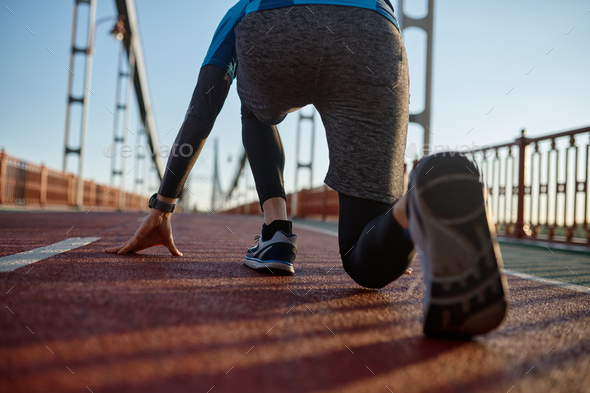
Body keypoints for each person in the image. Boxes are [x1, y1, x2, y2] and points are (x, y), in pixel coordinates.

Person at [106, 0, 507, 338]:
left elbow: (202, 112)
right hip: (373, 29)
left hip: (272, 26)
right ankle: (414, 208)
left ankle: (276, 233)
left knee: (253, 97)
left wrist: (164, 205)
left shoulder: (244, 8)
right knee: (367, 250)